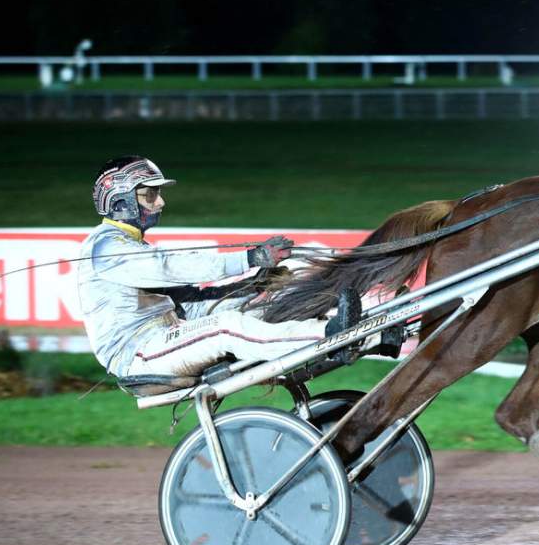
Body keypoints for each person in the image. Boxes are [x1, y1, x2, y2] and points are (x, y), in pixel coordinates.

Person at [78, 155, 357, 379]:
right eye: (150, 195)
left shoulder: (135, 249)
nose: (161, 202)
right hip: (136, 354)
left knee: (269, 306)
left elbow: (195, 305)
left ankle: (364, 326)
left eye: (158, 193)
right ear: (120, 200)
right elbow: (170, 266)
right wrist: (249, 259)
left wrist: (253, 287)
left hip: (165, 338)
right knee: (225, 328)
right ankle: (333, 335)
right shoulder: (105, 248)